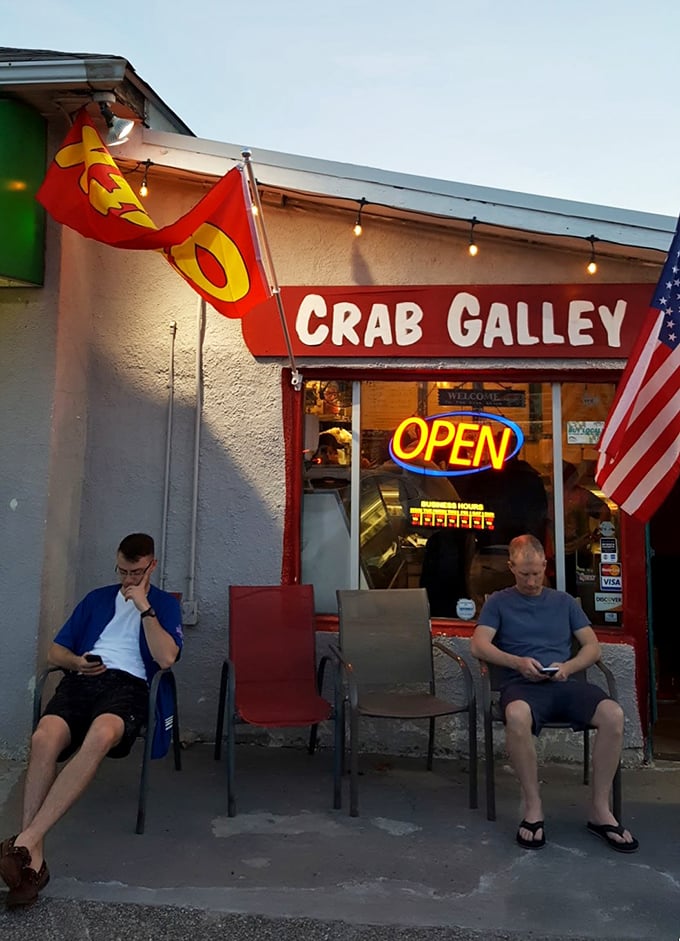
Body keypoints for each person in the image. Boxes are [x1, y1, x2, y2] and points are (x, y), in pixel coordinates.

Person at [0, 533, 183, 907]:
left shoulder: (164, 605)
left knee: (101, 733)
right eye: (122, 571)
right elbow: (55, 651)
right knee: (43, 738)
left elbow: (166, 659)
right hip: (83, 679)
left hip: (130, 687)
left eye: (135, 572)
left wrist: (144, 607)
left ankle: (22, 843)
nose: (128, 579)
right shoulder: (97, 599)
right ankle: (32, 857)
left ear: (152, 566)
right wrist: (76, 662)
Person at [470, 534, 638, 853]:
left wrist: (569, 667)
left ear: (545, 565)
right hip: (521, 685)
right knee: (516, 715)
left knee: (613, 714)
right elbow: (479, 645)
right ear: (511, 567)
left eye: (537, 573)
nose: (532, 581)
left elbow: (593, 647)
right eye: (524, 574)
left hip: (563, 682)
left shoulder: (563, 602)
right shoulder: (498, 602)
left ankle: (600, 809)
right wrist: (517, 662)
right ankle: (533, 806)